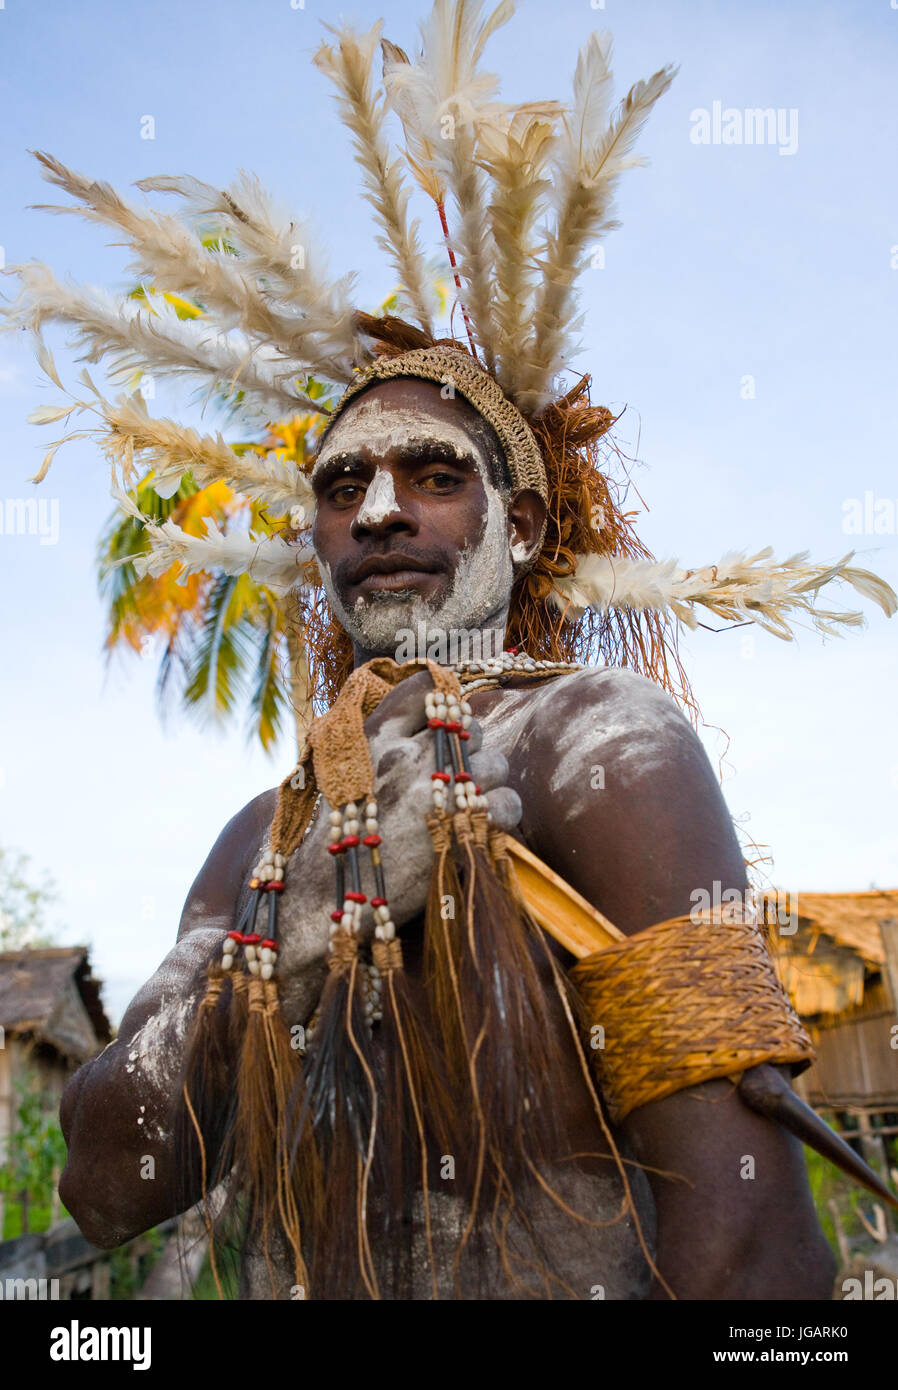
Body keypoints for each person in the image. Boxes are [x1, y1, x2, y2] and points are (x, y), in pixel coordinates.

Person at [7, 3, 894, 1299]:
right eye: (340, 483)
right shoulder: (264, 832)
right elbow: (106, 1180)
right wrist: (292, 930)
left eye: (429, 474)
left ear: (519, 523)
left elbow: (750, 1235)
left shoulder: (603, 744)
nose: (374, 510)